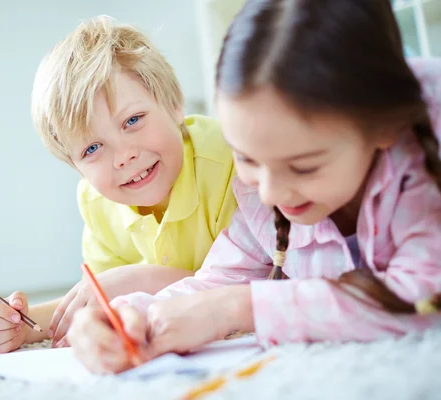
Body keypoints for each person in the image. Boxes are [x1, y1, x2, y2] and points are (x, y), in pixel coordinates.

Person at [66, 0, 441, 374]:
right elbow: (219, 279)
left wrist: (241, 307)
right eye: (247, 159)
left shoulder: (424, 147)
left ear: (383, 128)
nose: (269, 194)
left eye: (304, 166)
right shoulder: (260, 186)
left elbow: (423, 297)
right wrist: (128, 316)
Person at [0, 16, 238, 355]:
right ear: (76, 167)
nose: (123, 157)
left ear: (174, 105)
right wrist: (21, 325)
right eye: (92, 148)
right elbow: (101, 300)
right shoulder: (95, 201)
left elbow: (249, 285)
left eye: (132, 120)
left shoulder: (229, 160)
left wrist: (138, 279)